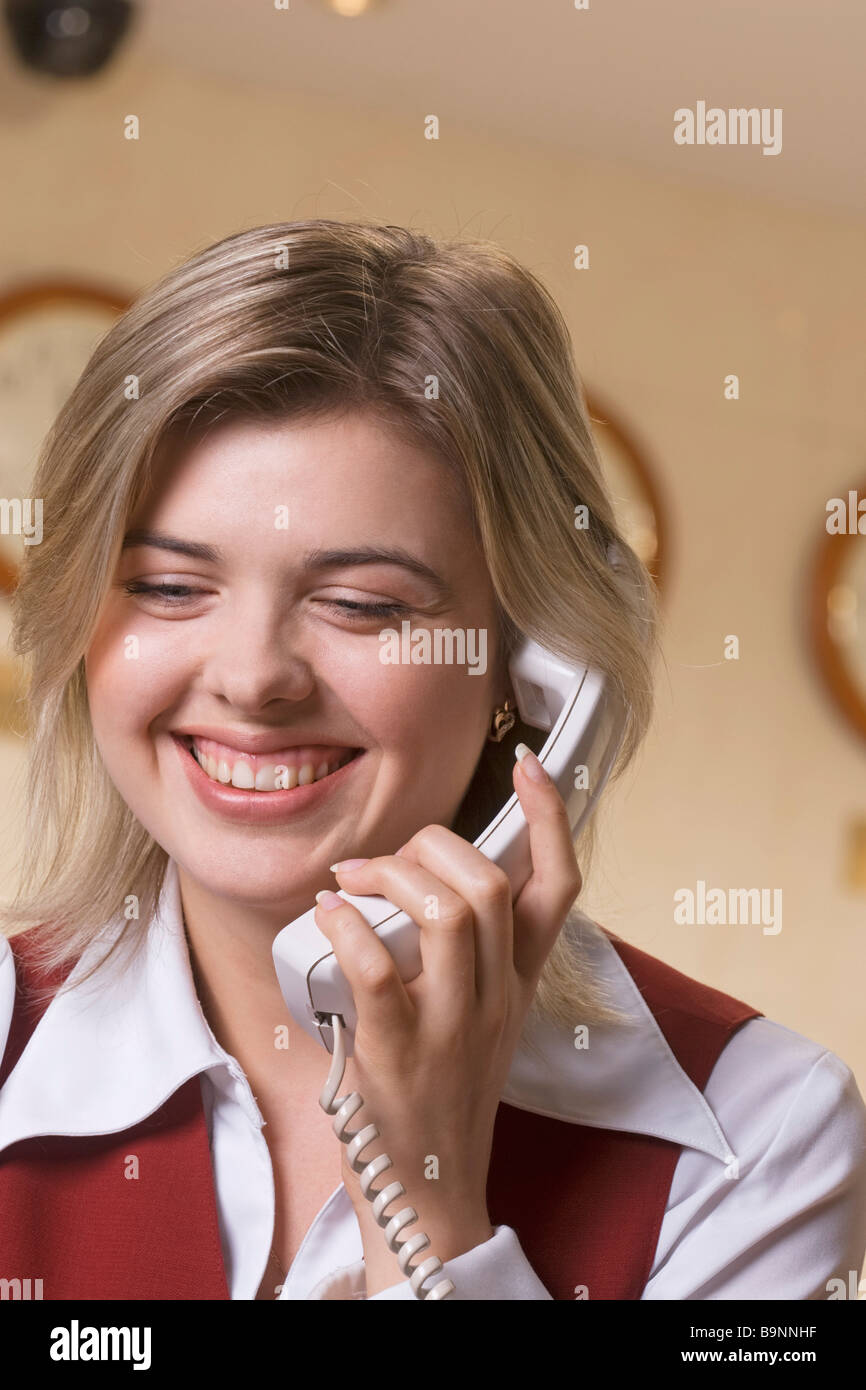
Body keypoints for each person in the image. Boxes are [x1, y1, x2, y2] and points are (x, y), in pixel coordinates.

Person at [0, 220, 864, 1301]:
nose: (254, 676)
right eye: (170, 586)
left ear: (531, 669)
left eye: (361, 604)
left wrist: (430, 1214)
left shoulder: (757, 1135)